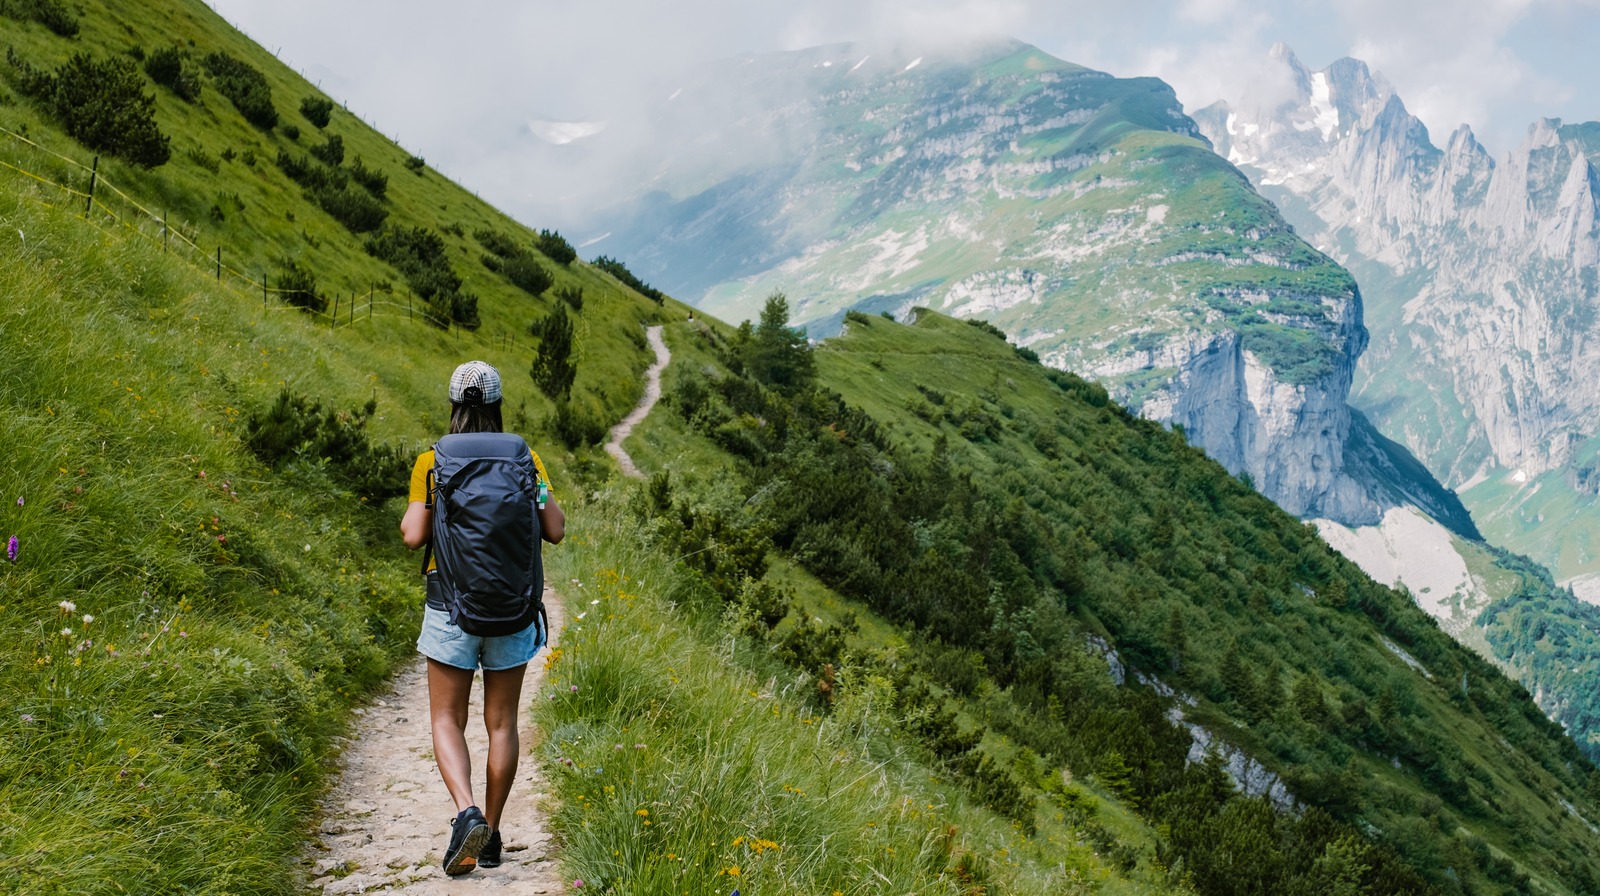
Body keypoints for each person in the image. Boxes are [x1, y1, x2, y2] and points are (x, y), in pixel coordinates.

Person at [399, 360, 565, 875]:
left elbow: (412, 534)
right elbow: (554, 528)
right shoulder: (527, 459)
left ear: (454, 405)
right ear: (496, 407)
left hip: (449, 603)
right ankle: (489, 834)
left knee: (447, 718)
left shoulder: (433, 461)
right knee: (502, 723)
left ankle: (464, 811)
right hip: (513, 608)